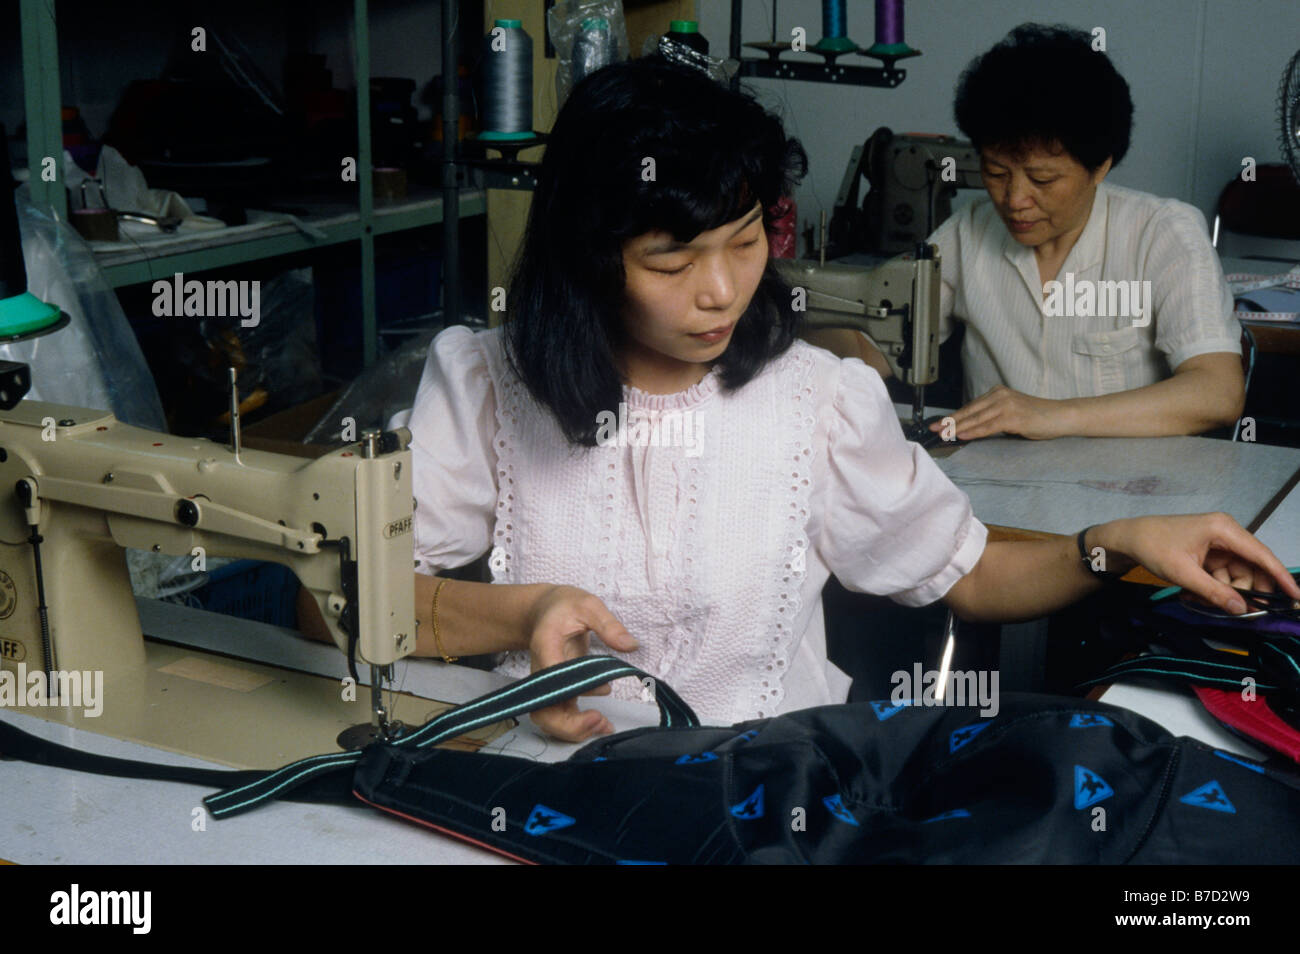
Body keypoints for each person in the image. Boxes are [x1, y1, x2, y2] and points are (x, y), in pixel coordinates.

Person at [383, 57, 1293, 742]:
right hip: (546, 801)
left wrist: (1116, 545)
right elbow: (341, 603)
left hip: (774, 797)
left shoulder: (814, 403)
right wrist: (522, 615)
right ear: (587, 254)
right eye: (672, 261)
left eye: (744, 245)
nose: (722, 292)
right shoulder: (485, 386)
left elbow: (965, 573)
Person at [846, 23, 1245, 441]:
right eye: (996, 172)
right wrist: (801, 313)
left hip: (1127, 488)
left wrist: (1055, 416)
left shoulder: (1163, 235)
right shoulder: (968, 233)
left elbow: (1217, 392)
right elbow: (870, 350)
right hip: (994, 484)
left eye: (1042, 179)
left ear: (1100, 166)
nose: (1015, 199)